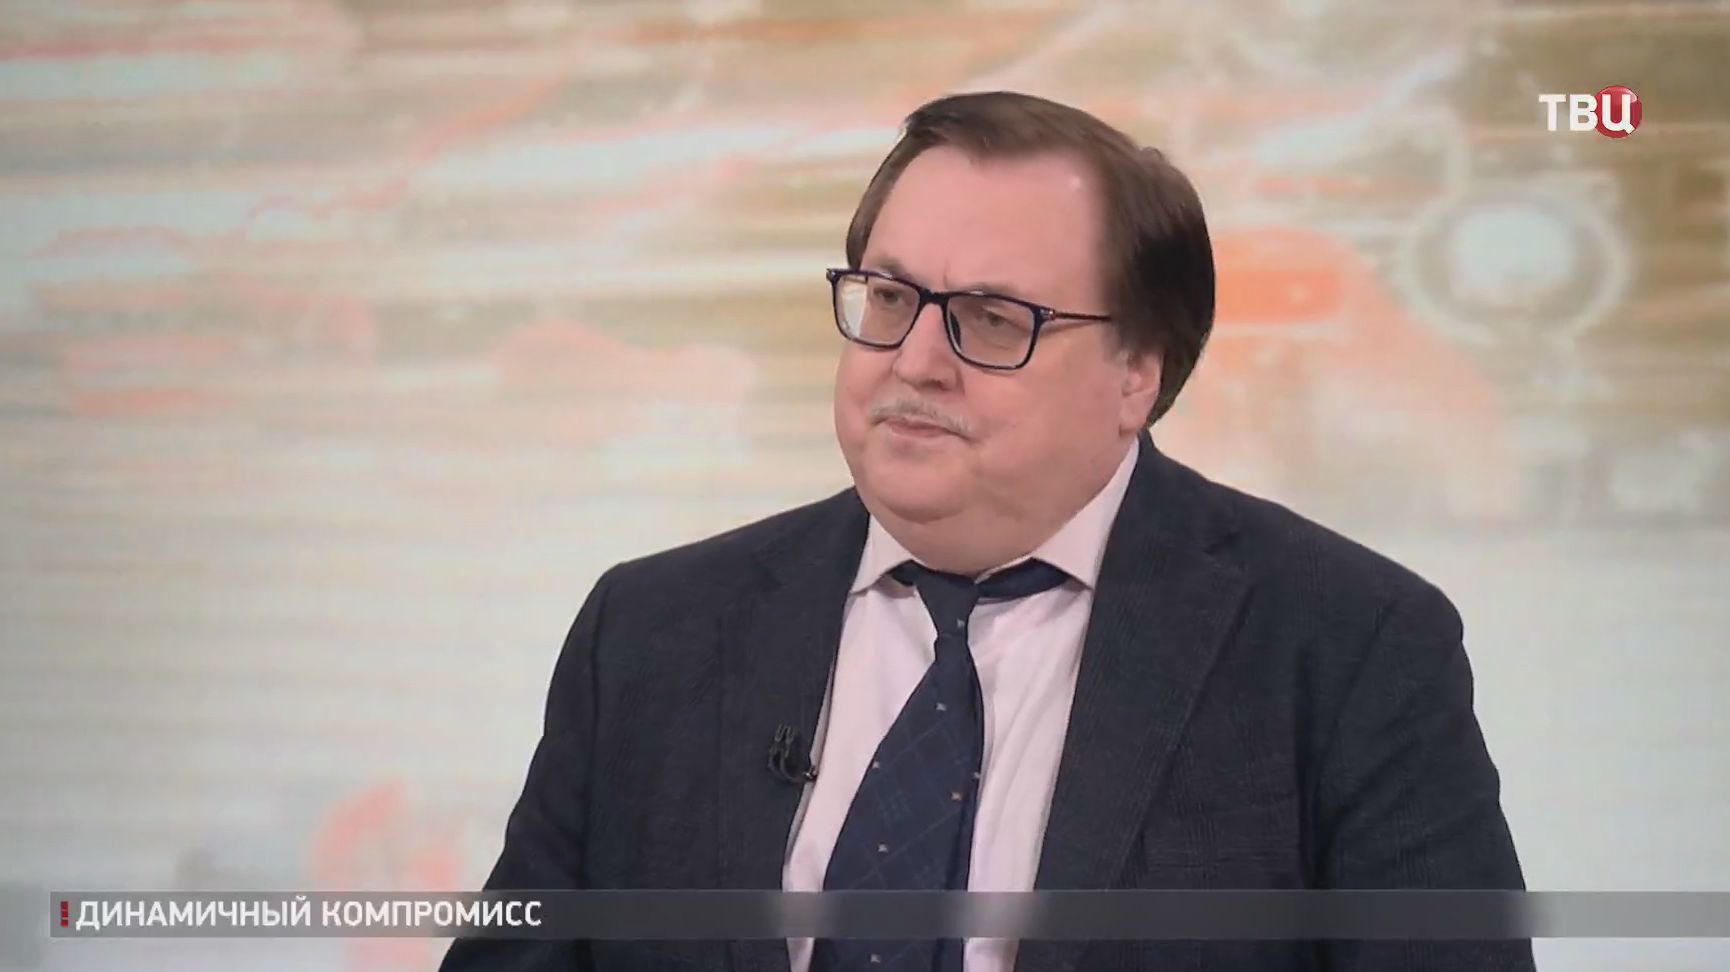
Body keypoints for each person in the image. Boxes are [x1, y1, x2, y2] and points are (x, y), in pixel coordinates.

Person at [440, 91, 1533, 972]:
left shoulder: (1347, 648)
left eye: (991, 321)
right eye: (887, 298)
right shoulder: (651, 632)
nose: (915, 360)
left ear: (1135, 375)